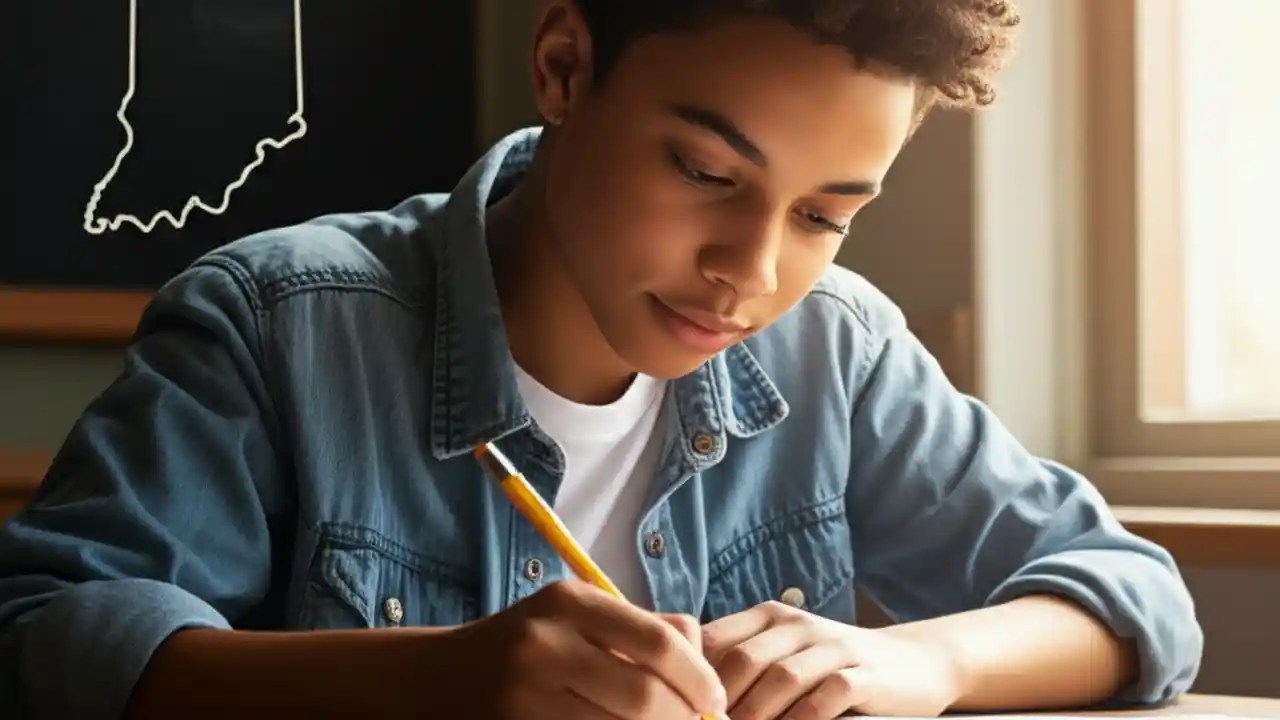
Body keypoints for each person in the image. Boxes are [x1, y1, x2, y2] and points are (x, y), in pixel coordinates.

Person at [0, 1, 1204, 718]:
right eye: (706, 175)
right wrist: (430, 688)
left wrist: (915, 662)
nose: (752, 270)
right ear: (564, 63)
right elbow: (46, 637)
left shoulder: (834, 346)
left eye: (823, 214)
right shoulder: (278, 322)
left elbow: (1129, 596)